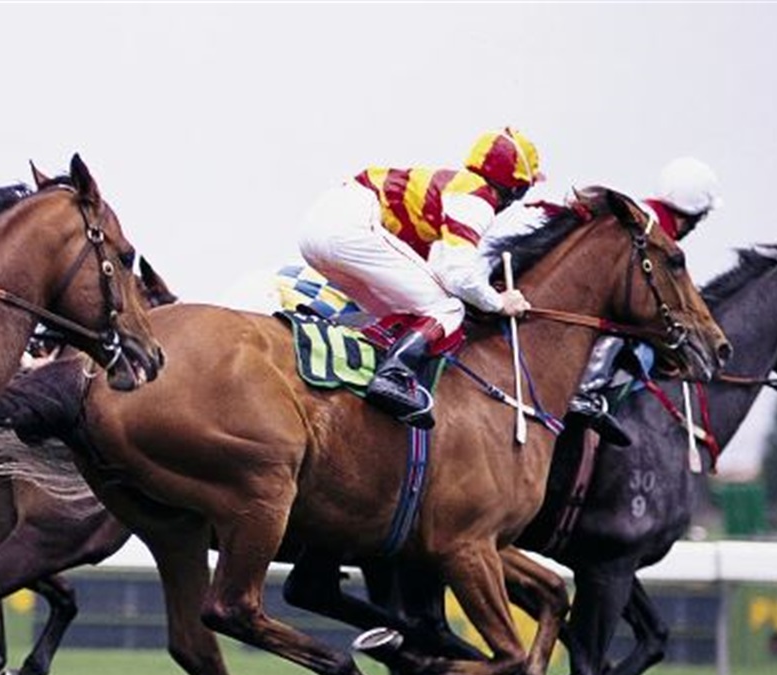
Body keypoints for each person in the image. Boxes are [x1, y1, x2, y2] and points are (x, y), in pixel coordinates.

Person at [298, 127, 542, 429]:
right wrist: (499, 302)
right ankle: (392, 376)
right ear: (515, 188)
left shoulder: (453, 188)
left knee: (408, 311)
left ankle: (338, 342)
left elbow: (437, 272)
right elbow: (459, 277)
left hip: (318, 230)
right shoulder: (476, 198)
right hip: (348, 227)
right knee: (447, 309)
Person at [566, 156, 723, 445]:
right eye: (699, 218)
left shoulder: (648, 218)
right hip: (593, 305)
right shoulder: (652, 228)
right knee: (643, 350)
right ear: (691, 213)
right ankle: (586, 394)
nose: (697, 226)